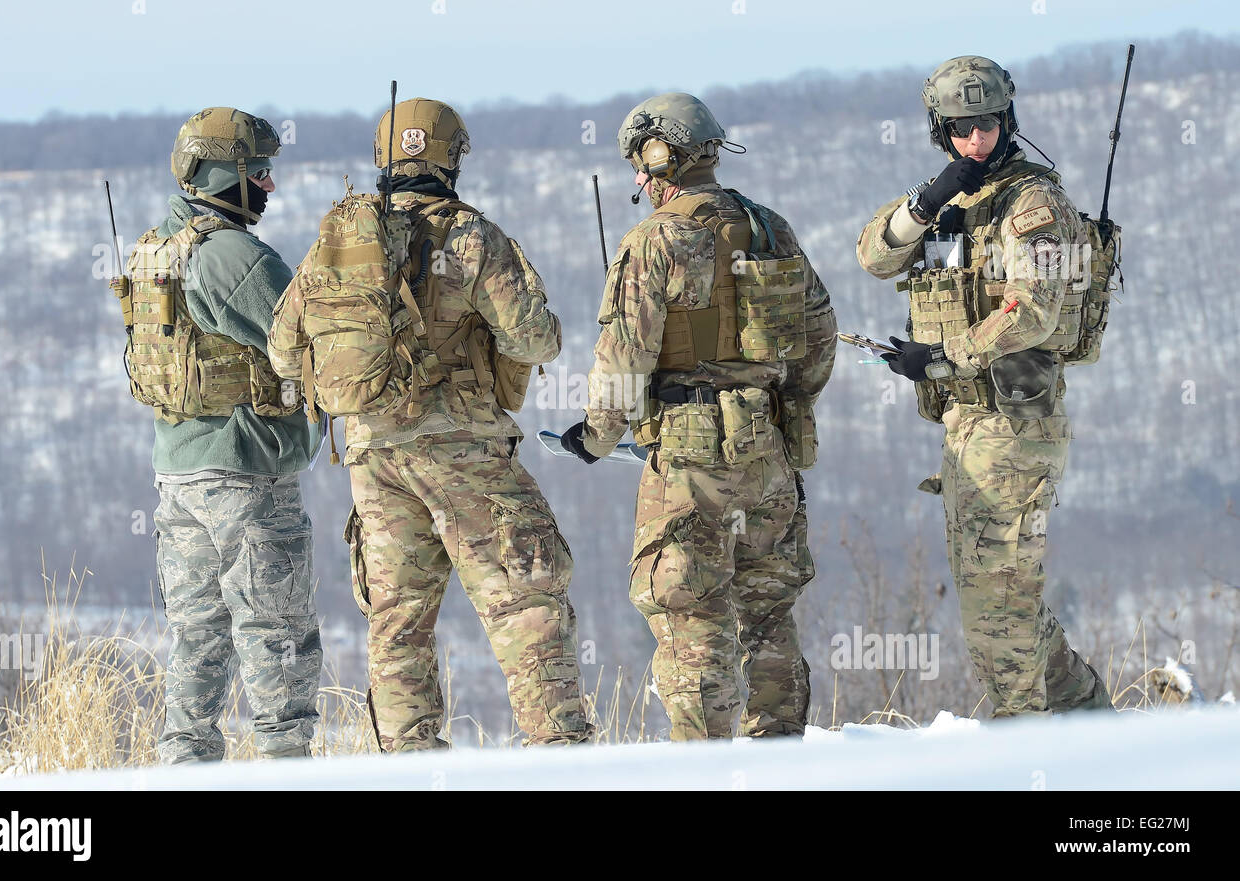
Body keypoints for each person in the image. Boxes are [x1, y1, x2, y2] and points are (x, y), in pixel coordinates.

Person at [268, 98, 591, 751]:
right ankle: (558, 747)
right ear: (449, 156)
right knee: (522, 587)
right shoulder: (470, 236)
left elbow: (281, 346)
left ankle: (407, 758)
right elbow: (535, 337)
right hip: (461, 445)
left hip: (372, 454)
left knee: (397, 615)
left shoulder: (339, 244)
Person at [560, 93, 836, 740]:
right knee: (769, 609)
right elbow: (820, 334)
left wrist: (596, 436)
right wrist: (789, 406)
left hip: (690, 455)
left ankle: (703, 769)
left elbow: (624, 358)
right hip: (767, 447)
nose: (638, 177)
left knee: (690, 611)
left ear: (663, 157)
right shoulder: (770, 228)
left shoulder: (653, 241)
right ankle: (779, 758)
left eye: (641, 162)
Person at [856, 56, 1113, 717]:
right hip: (969, 424)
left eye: (990, 125)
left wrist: (944, 356)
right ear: (941, 131)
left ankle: (1023, 749)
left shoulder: (1034, 203)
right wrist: (925, 203)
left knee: (997, 612)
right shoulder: (954, 200)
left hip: (1016, 424)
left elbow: (1035, 309)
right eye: (963, 128)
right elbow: (874, 256)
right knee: (998, 600)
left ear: (1009, 120)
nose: (978, 141)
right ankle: (1093, 722)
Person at [121, 107, 323, 762]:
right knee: (278, 631)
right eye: (258, 171)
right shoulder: (233, 253)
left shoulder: (157, 246)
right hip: (246, 471)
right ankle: (288, 771)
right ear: (220, 172)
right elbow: (309, 340)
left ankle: (184, 768)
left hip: (178, 474)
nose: (270, 185)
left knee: (197, 639)